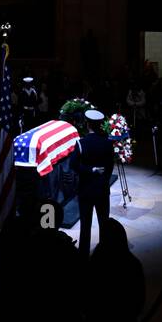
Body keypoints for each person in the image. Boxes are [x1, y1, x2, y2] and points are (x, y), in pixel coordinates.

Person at [71, 109, 114, 262]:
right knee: (104, 224)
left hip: (86, 190)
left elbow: (73, 165)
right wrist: (102, 179)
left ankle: (83, 257)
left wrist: (89, 170)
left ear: (87, 124)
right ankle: (104, 255)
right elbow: (110, 167)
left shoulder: (81, 143)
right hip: (102, 189)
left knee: (85, 225)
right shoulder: (108, 143)